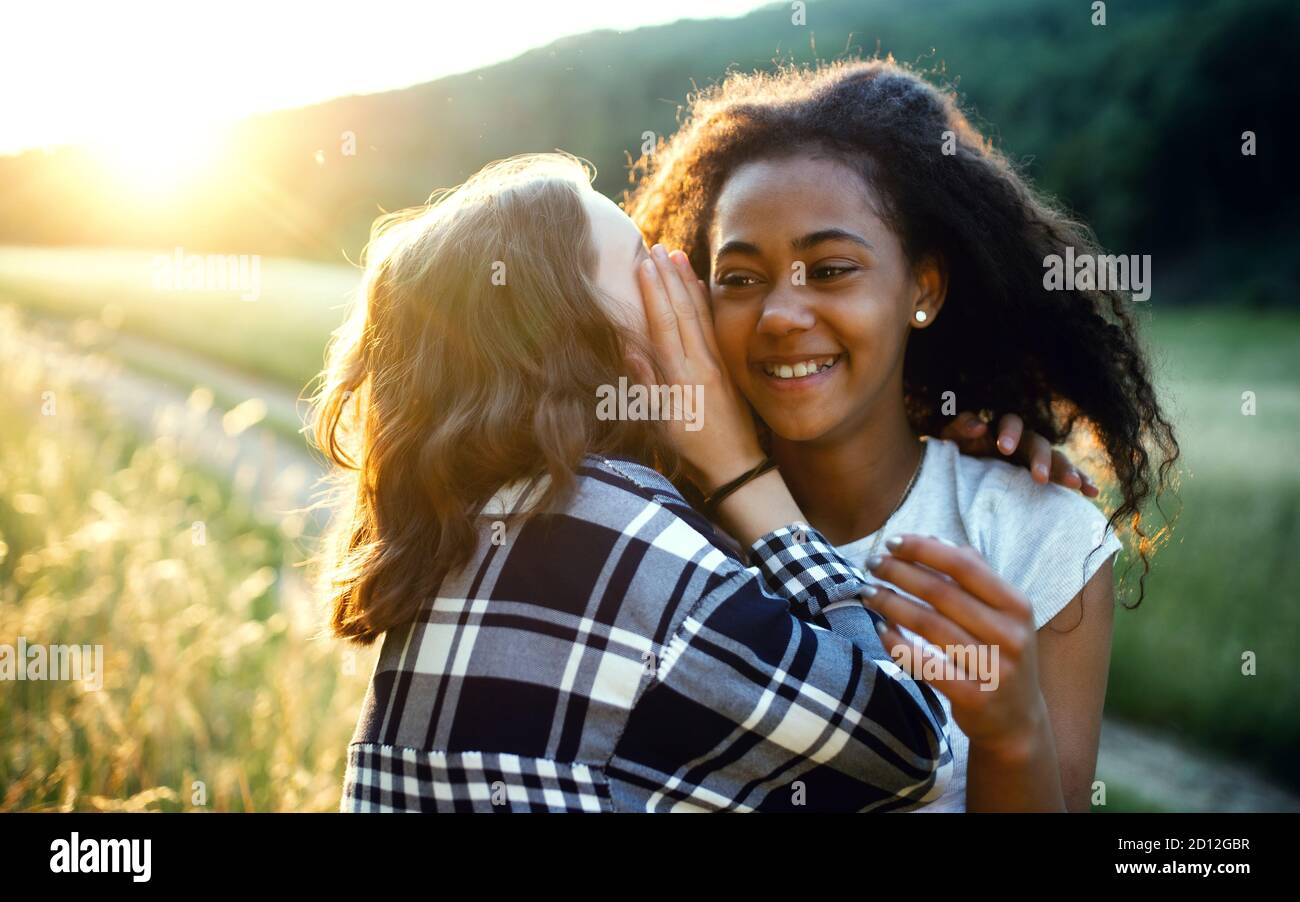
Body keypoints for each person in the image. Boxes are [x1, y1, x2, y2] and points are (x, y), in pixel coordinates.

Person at [627, 59, 1179, 811]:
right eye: (741, 278)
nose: (782, 315)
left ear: (923, 289)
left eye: (830, 270)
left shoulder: (1036, 534)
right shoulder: (660, 526)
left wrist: (1011, 733)